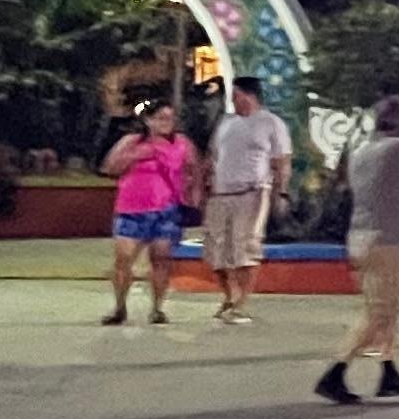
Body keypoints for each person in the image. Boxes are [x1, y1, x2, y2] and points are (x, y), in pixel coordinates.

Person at [318, 92, 399, 404]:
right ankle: (336, 370)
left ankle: (389, 370)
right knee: (379, 312)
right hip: (386, 241)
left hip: (360, 237)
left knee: (387, 307)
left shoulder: (362, 150)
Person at [102, 100, 202, 327]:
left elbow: (195, 170)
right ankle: (120, 306)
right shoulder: (132, 142)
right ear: (148, 120)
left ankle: (157, 308)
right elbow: (110, 167)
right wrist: (138, 155)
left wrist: (194, 198)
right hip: (131, 209)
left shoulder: (182, 143)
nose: (166, 123)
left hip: (166, 210)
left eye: (170, 118)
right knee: (123, 259)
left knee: (161, 260)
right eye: (160, 118)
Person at [203, 72, 291, 324]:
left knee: (245, 248)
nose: (233, 100)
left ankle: (241, 303)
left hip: (251, 193)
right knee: (216, 249)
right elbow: (212, 155)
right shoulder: (226, 122)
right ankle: (229, 296)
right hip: (221, 194)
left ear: (250, 96)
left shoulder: (271, 123)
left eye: (237, 95)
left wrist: (281, 193)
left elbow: (281, 162)